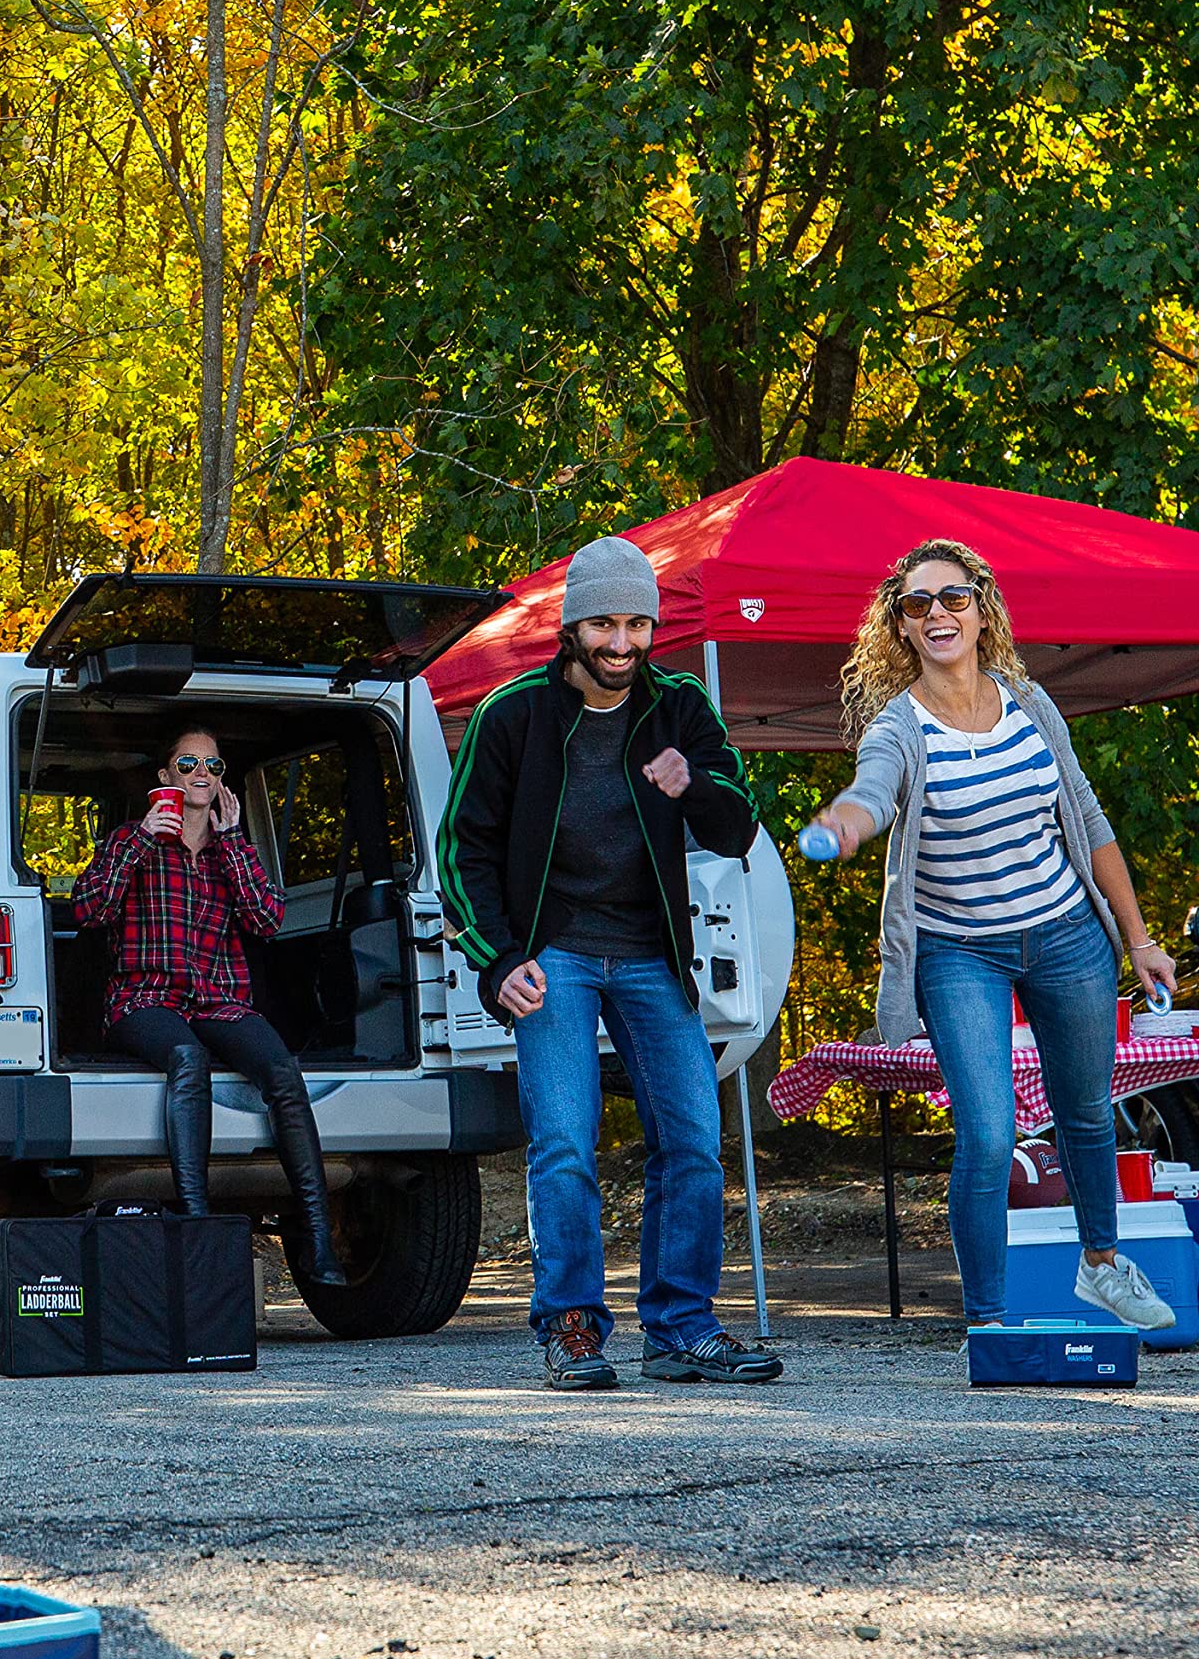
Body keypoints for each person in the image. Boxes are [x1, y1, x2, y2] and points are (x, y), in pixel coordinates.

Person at [807, 539, 1179, 1335]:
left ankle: (1101, 1267)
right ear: (900, 628)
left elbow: (1084, 816)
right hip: (957, 951)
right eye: (917, 604)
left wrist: (1139, 938)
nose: (937, 613)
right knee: (987, 1130)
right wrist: (847, 821)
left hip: (1066, 934)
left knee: (1085, 1113)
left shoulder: (1031, 703)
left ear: (981, 610)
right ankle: (989, 1323)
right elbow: (873, 791)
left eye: (953, 598)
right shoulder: (898, 730)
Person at [438, 536, 782, 1391]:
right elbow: (460, 850)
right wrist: (497, 960)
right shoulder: (511, 714)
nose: (621, 641)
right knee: (564, 1143)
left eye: (635, 623)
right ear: (572, 627)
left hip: (649, 956)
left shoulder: (680, 709)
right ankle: (572, 1330)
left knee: (693, 1140)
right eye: (603, 623)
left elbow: (736, 828)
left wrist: (689, 786)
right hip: (552, 956)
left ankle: (680, 1329)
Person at [69, 727, 348, 1285]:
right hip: (143, 998)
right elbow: (89, 911)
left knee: (283, 1072)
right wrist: (145, 838)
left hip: (218, 1000)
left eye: (214, 766)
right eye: (189, 762)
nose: (202, 773)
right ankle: (195, 1223)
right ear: (165, 777)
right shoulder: (131, 839)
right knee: (187, 1059)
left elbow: (269, 920)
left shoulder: (230, 851)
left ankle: (318, 1243)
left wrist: (235, 841)